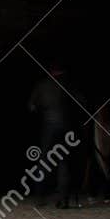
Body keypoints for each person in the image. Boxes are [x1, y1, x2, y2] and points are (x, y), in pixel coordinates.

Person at [28, 64, 84, 208]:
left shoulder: (42, 85)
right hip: (66, 127)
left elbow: (32, 106)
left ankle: (40, 196)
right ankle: (63, 199)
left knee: (44, 162)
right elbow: (81, 103)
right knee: (64, 162)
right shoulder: (68, 84)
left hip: (49, 128)